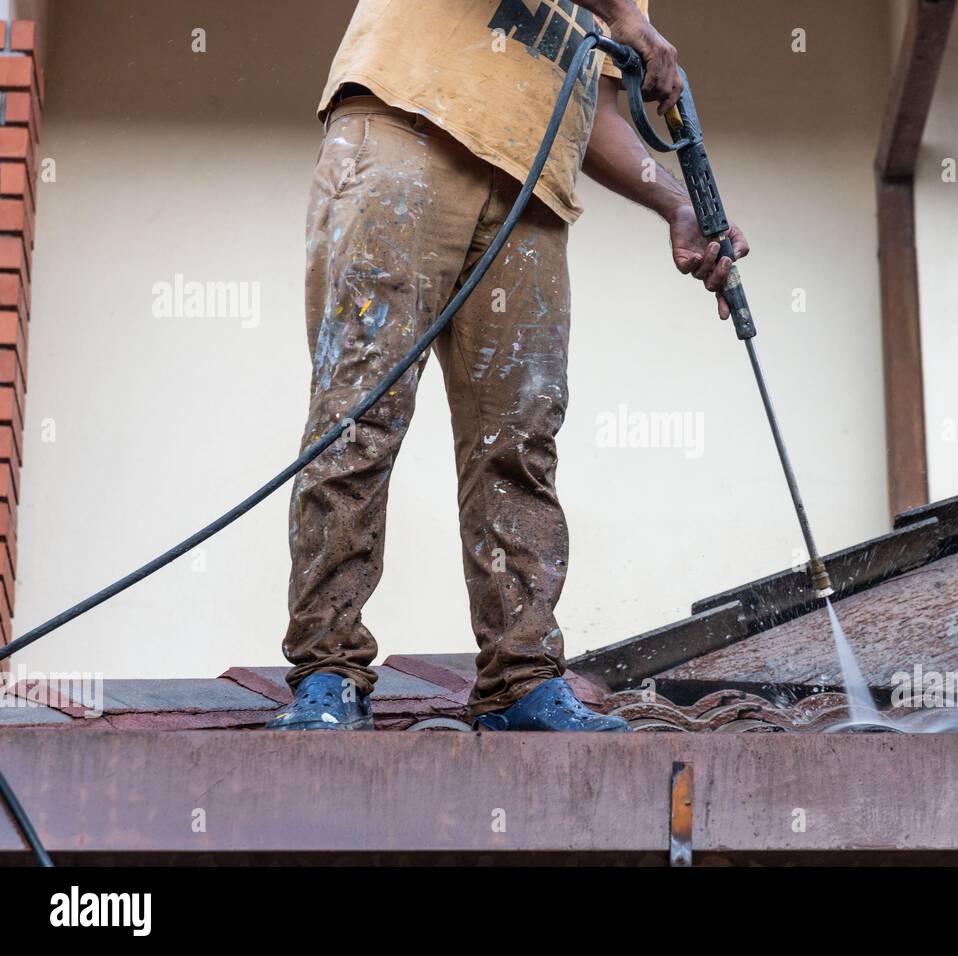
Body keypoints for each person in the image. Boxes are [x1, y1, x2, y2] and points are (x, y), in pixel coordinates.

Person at [267, 0, 748, 733]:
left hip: (530, 189)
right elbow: (621, 27)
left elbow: (594, 114)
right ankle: (327, 670)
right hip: (406, 125)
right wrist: (628, 21)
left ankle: (520, 679)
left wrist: (675, 201)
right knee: (361, 413)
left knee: (520, 439)